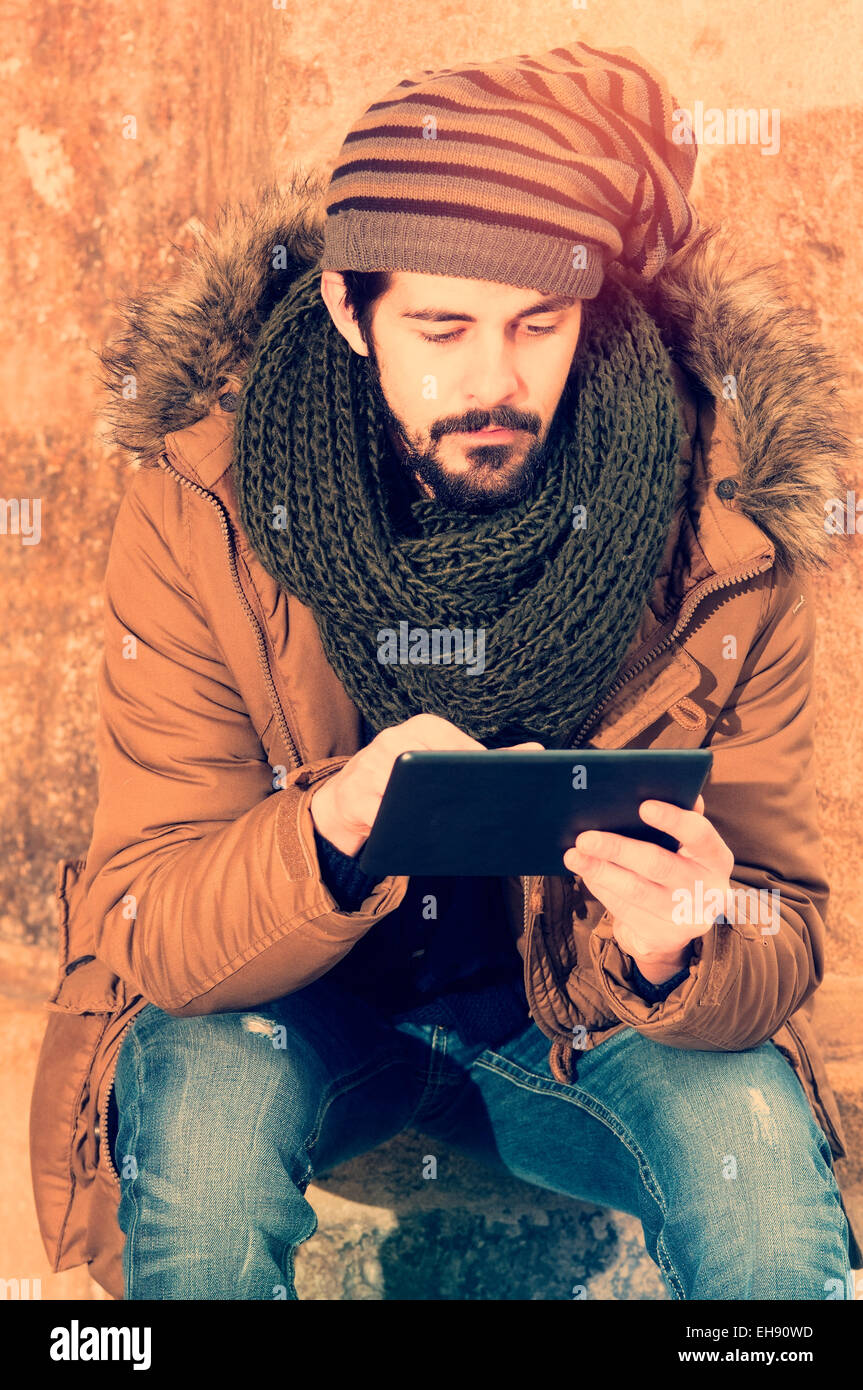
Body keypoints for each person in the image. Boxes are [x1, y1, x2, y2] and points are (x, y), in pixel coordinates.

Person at [30, 39, 861, 1301]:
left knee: (768, 1208)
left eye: (539, 324)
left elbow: (780, 918)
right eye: (441, 326)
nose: (493, 381)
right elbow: (149, 921)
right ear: (348, 311)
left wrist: (685, 947)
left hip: (582, 1023)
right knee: (197, 1135)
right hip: (298, 1012)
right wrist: (329, 828)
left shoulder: (721, 519)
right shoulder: (203, 500)